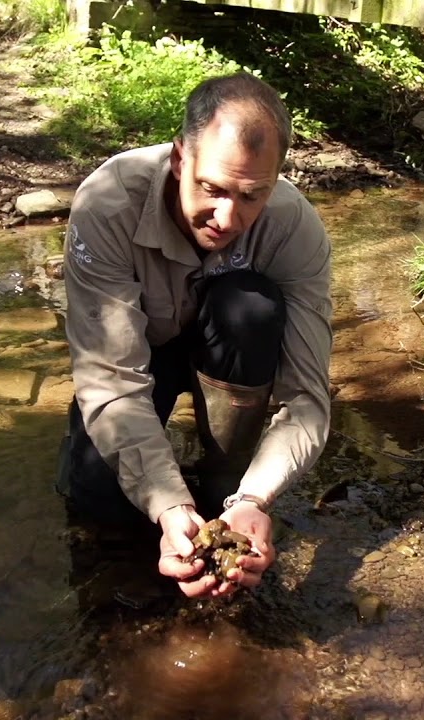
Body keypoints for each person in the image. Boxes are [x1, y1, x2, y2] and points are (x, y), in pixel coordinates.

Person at [55, 72, 332, 599]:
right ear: (181, 158)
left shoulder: (295, 227)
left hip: (232, 350)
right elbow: (111, 380)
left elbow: (307, 398)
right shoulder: (107, 204)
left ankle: (225, 478)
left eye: (252, 196)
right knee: (97, 496)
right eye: (212, 189)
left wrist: (254, 497)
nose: (228, 217)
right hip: (141, 353)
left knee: (249, 307)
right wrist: (168, 505)